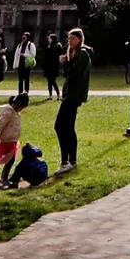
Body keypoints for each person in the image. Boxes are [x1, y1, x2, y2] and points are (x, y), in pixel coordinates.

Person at [54, 27, 92, 169]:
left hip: (74, 95)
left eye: (73, 39)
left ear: (80, 40)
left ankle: (67, 161)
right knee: (67, 127)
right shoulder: (73, 53)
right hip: (69, 94)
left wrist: (66, 62)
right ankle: (70, 161)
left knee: (61, 126)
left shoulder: (82, 54)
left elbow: (74, 74)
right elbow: (66, 75)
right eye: (68, 39)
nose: (70, 41)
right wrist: (65, 62)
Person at [0, 93, 29, 163]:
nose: (21, 109)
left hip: (13, 140)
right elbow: (0, 126)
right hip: (6, 141)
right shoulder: (8, 113)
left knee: (11, 160)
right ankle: (4, 173)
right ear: (15, 104)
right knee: (9, 160)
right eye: (21, 107)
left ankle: (5, 173)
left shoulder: (17, 114)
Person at [13, 30, 37, 98]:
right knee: (20, 80)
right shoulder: (19, 45)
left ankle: (26, 92)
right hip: (20, 65)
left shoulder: (31, 45)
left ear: (28, 38)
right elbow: (16, 56)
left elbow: (33, 55)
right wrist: (14, 66)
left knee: (26, 79)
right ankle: (20, 92)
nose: (23, 38)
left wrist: (24, 54)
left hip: (27, 65)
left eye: (25, 37)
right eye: (23, 37)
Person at [41, 32, 63, 98]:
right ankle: (50, 95)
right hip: (48, 66)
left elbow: (56, 54)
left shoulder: (56, 46)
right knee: (49, 81)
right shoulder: (48, 46)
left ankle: (58, 94)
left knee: (52, 81)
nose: (48, 40)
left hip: (53, 66)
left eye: (50, 38)